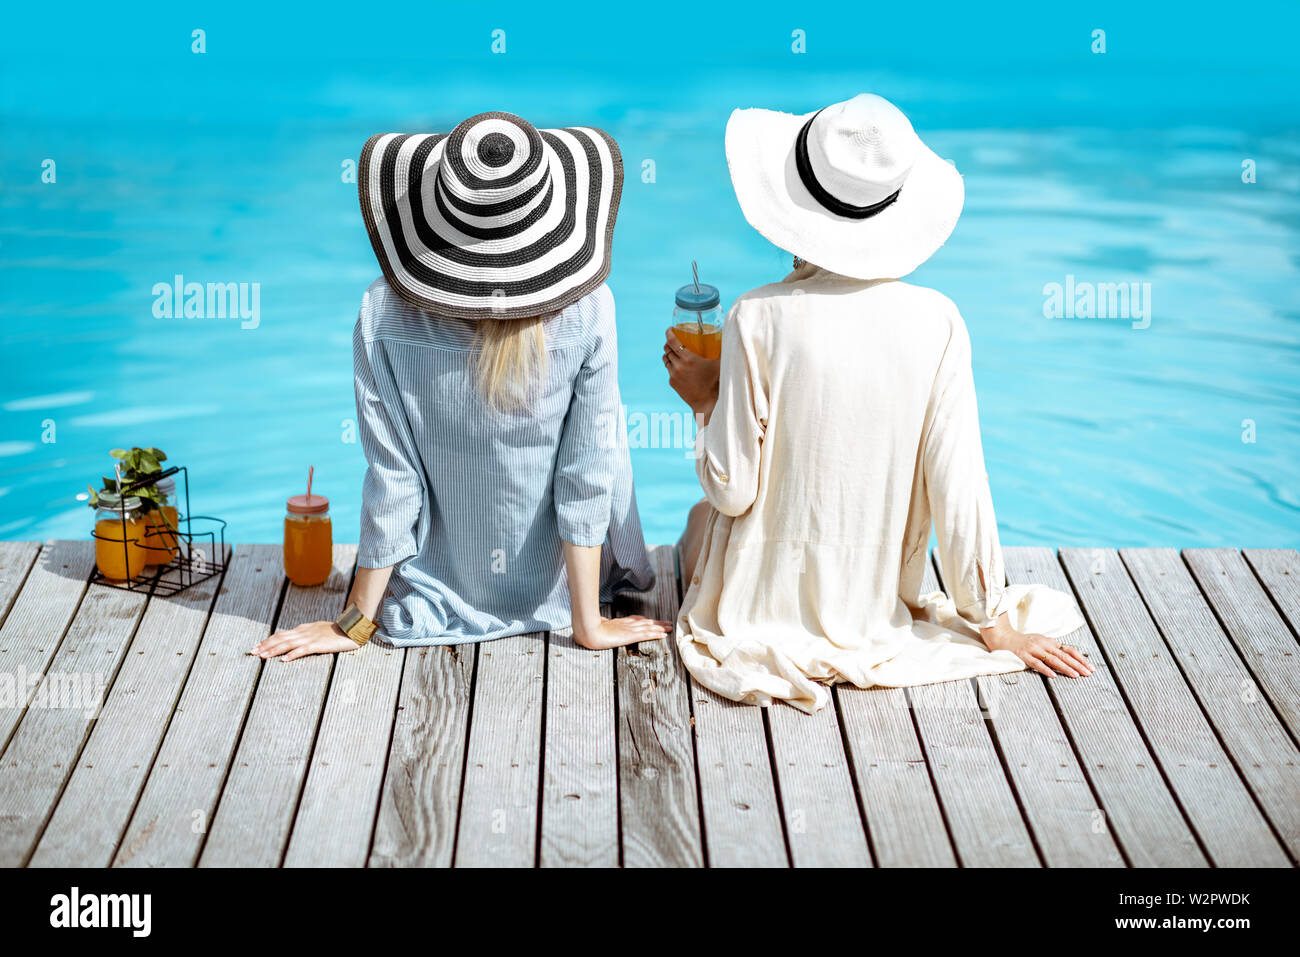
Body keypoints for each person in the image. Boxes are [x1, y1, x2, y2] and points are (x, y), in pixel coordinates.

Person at [663, 94, 1092, 713]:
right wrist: (991, 621)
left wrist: (707, 402)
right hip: (874, 609)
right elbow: (960, 486)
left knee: (699, 520)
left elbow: (732, 492)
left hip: (761, 612)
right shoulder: (939, 322)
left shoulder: (754, 316)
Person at [255, 111, 669, 661]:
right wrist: (587, 621)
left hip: (433, 599)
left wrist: (352, 624)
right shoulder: (590, 310)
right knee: (607, 425)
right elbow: (587, 473)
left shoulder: (381, 313)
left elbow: (393, 481)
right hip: (556, 596)